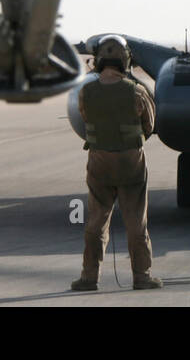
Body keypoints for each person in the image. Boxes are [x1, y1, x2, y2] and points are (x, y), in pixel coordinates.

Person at [70, 35, 163, 291]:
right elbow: (150, 125)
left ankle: (89, 278)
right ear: (125, 60)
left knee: (97, 221)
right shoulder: (137, 91)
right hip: (131, 161)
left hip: (99, 161)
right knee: (136, 221)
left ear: (99, 60)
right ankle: (142, 276)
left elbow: (85, 118)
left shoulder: (86, 92)